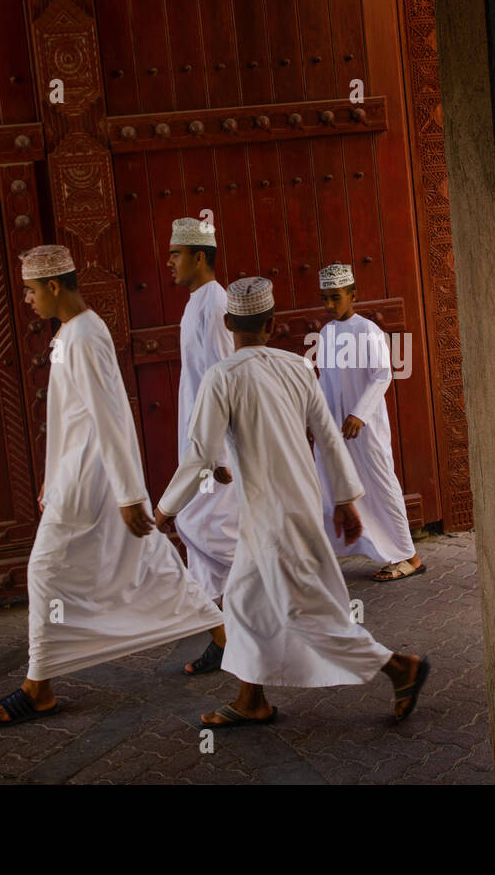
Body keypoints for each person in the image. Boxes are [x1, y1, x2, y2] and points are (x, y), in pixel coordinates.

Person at [154, 277, 430, 727]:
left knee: (311, 614)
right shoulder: (298, 368)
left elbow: (201, 455)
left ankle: (400, 667)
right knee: (243, 603)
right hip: (293, 508)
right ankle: (252, 701)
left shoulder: (221, 376)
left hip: (271, 519)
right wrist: (343, 500)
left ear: (228, 323)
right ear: (272, 323)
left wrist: (165, 509)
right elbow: (328, 435)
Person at [0, 245, 222, 725]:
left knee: (44, 571)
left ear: (53, 286)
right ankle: (227, 637)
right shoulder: (73, 332)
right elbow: (72, 418)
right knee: (149, 563)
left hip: (91, 482)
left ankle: (38, 690)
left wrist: (130, 494)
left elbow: (111, 415)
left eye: (30, 291)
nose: (27, 301)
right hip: (79, 477)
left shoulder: (86, 335)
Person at [312, 263, 423, 582]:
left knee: (380, 483)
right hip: (336, 425)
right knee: (338, 482)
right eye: (325, 299)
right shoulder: (326, 332)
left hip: (366, 426)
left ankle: (410, 556)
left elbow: (382, 374)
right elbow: (325, 379)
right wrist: (317, 417)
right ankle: (373, 550)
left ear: (353, 296)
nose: (330, 305)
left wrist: (360, 413)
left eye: (336, 298)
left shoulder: (367, 330)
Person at [166, 217, 241, 676]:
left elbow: (225, 376)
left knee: (201, 526)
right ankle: (225, 640)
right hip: (199, 447)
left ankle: (279, 595)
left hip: (216, 455)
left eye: (176, 254)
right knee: (201, 546)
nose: (170, 263)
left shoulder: (214, 305)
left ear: (198, 256)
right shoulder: (197, 302)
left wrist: (216, 456)